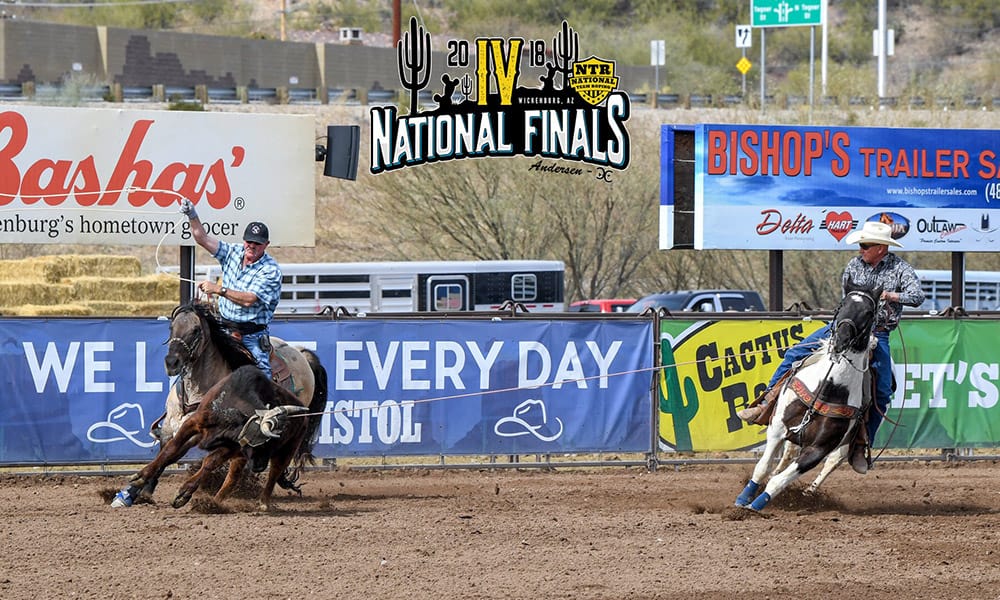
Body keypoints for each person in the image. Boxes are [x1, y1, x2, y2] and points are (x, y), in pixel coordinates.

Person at [736, 220, 925, 474]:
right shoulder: (854, 266)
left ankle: (860, 445)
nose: (860, 249)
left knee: (881, 391)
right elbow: (846, 299)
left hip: (877, 332)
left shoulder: (900, 269)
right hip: (844, 326)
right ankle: (766, 403)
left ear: (881, 247)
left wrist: (890, 295)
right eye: (861, 245)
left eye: (865, 245)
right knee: (795, 353)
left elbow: (917, 296)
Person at [179, 198, 282, 379]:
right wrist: (192, 215)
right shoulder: (232, 252)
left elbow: (249, 299)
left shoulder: (270, 270)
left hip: (251, 335)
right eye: (249, 241)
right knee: (189, 363)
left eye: (257, 243)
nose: (252, 246)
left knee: (261, 377)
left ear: (266, 244)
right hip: (223, 328)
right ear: (244, 241)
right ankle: (180, 395)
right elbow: (202, 238)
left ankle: (267, 397)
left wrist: (219, 290)